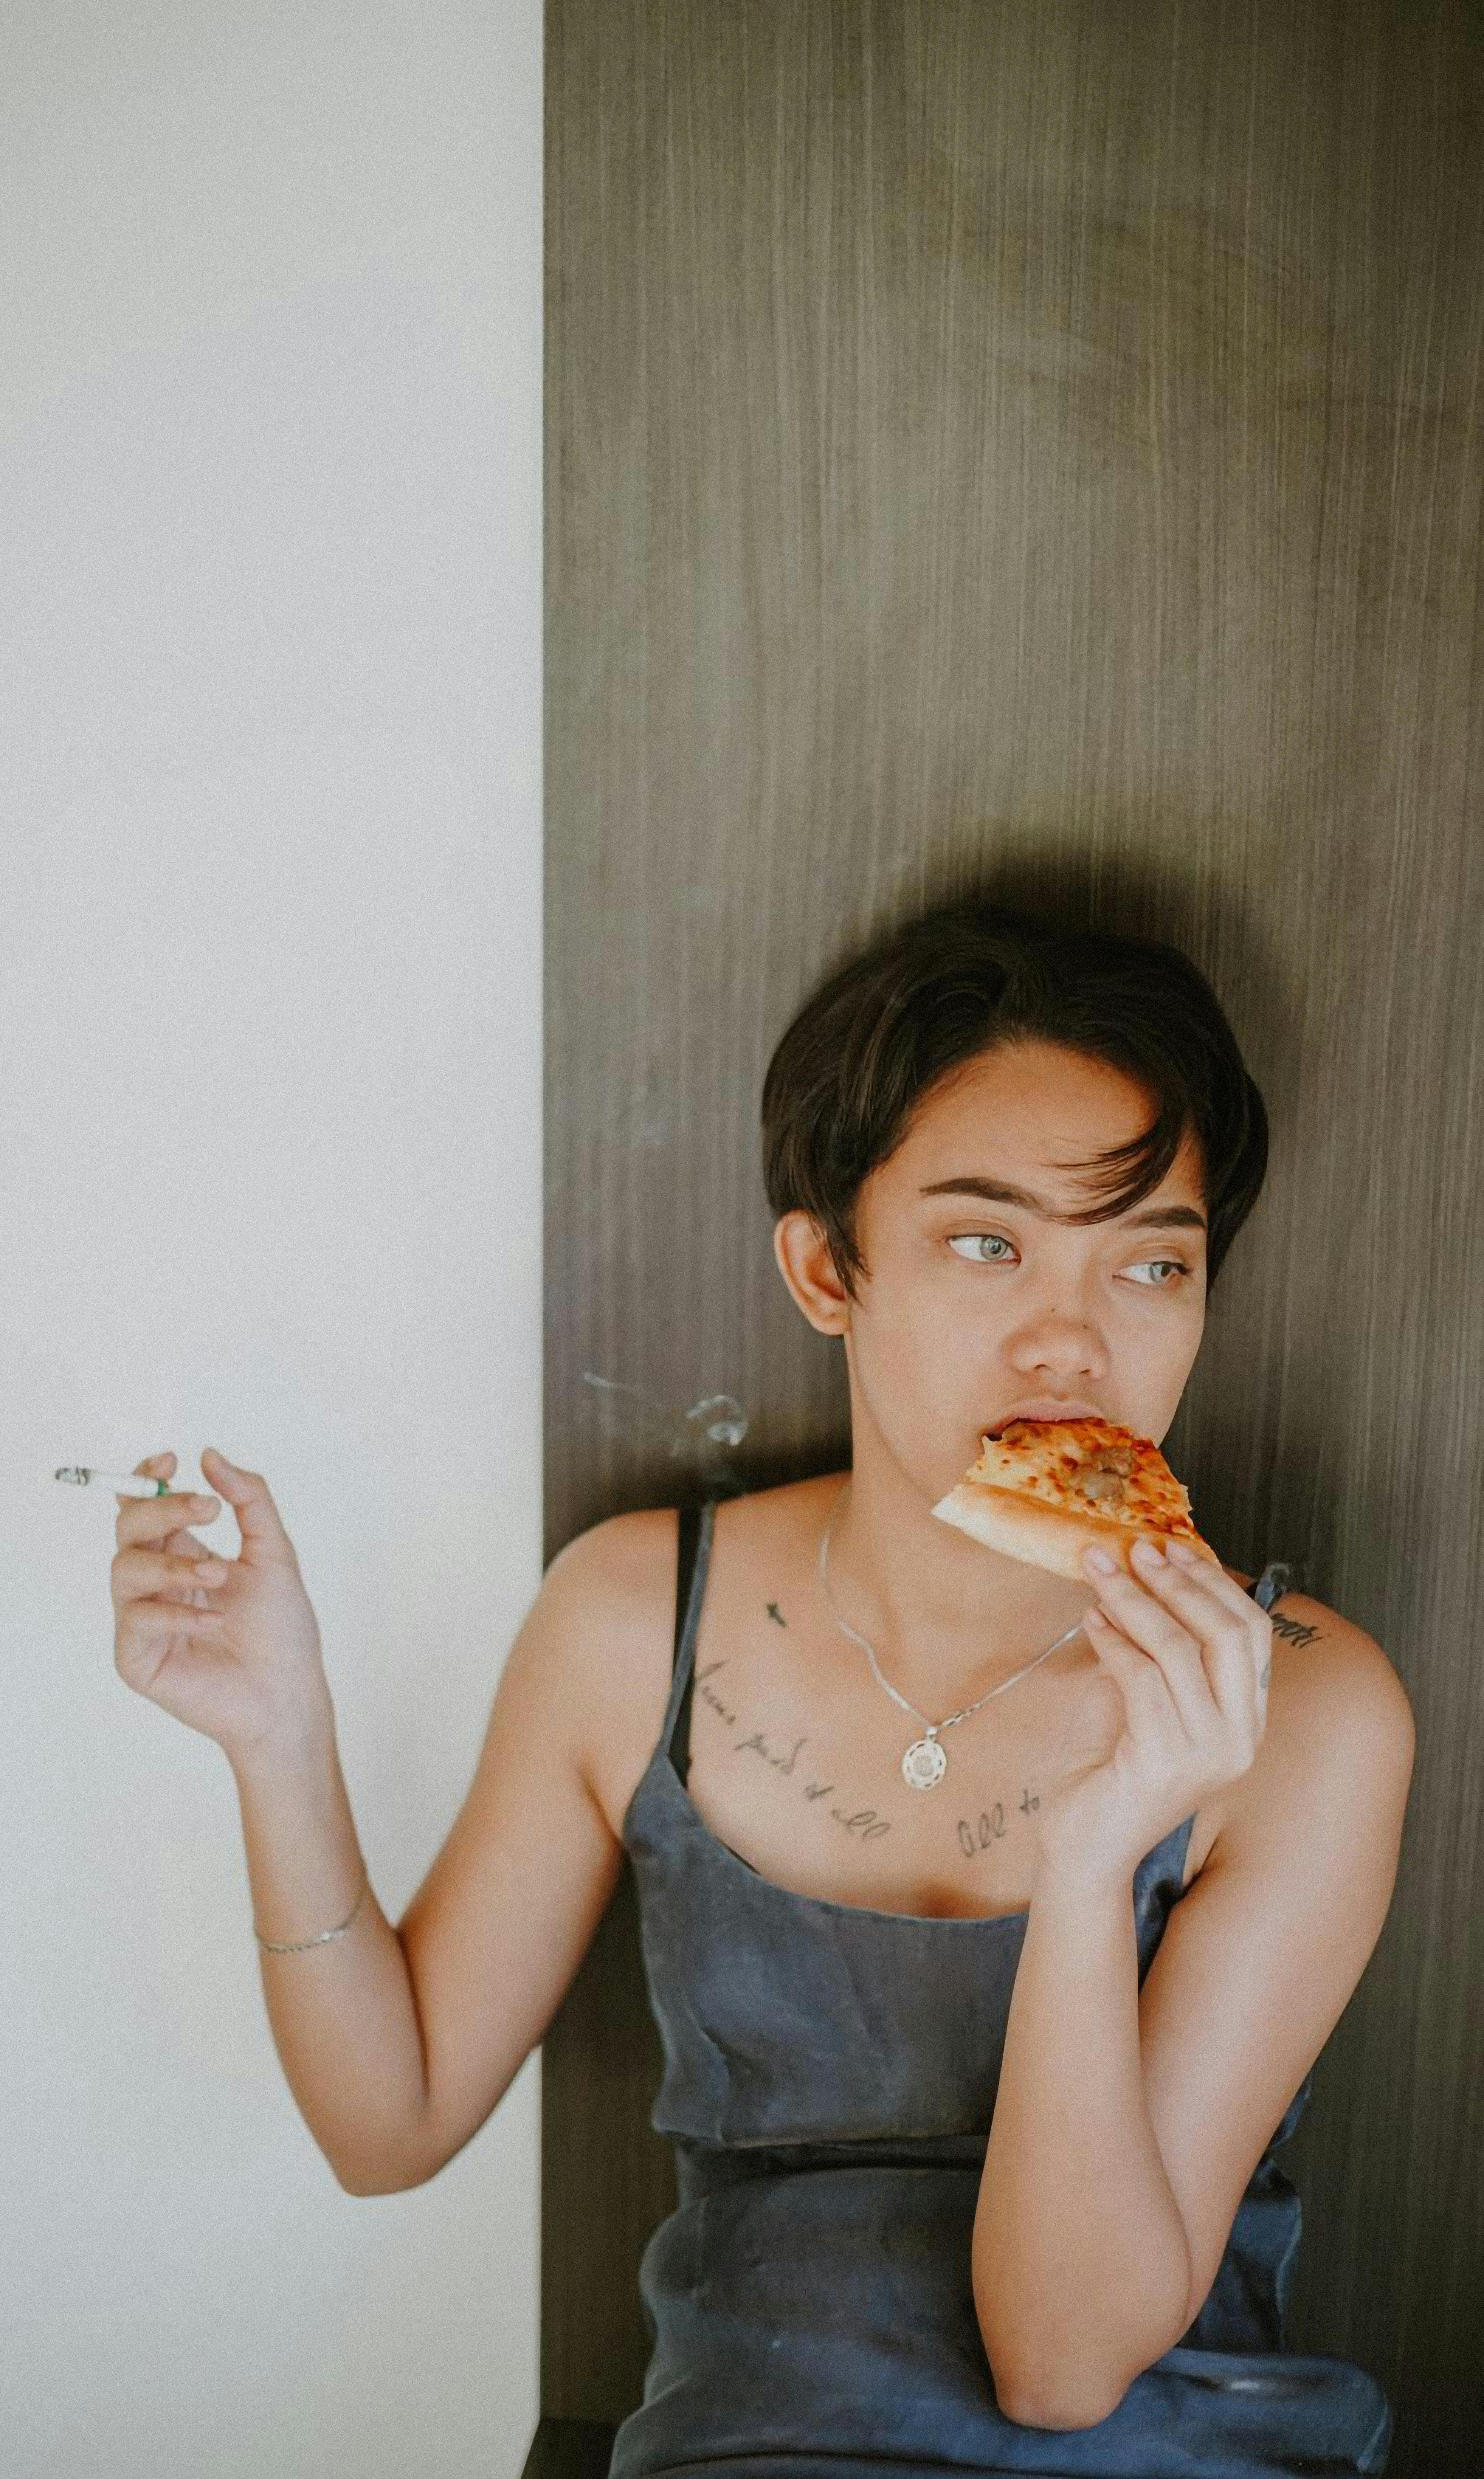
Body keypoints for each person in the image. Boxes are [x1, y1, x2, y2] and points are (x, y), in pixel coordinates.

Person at [110, 895, 1414, 2477]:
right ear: (824, 1267)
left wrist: (1090, 1867)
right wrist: (280, 1738)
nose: (1071, 1343)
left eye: (1150, 1263)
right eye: (985, 1241)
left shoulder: (1306, 1706)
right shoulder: (628, 1614)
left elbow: (1064, 2368)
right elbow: (389, 2128)